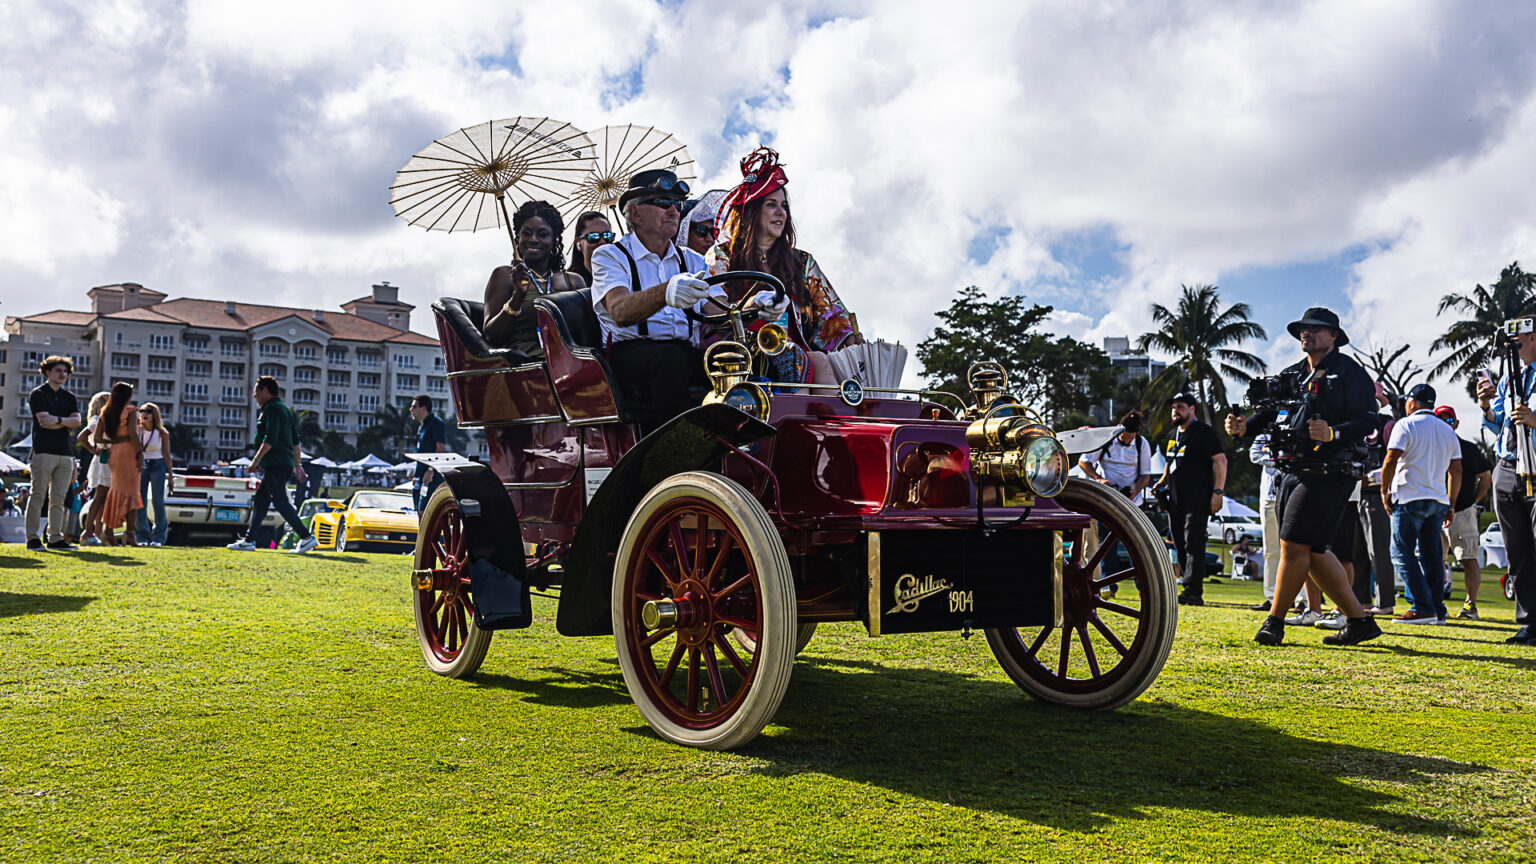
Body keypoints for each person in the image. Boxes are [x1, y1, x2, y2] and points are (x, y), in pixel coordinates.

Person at [1226, 307, 1381, 646]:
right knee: (1310, 551)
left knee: (1293, 544)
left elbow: (1370, 419)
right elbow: (1267, 414)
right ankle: (1359, 620)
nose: (1305, 334)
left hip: (1331, 471)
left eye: (1314, 329)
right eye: (1302, 330)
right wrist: (1242, 428)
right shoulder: (1293, 373)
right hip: (1291, 469)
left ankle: (1274, 622)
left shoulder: (1350, 372)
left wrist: (1334, 433)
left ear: (1334, 335)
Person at [591, 168, 771, 436]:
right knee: (669, 359)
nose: (674, 211)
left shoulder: (692, 259)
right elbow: (619, 310)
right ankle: (674, 451)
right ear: (635, 214)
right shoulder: (610, 255)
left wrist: (756, 306)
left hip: (678, 353)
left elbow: (720, 312)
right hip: (627, 355)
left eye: (676, 205)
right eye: (663, 203)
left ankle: (745, 443)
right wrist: (665, 292)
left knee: (739, 361)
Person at [707, 147, 859, 385]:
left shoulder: (802, 262)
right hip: (741, 357)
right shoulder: (722, 256)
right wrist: (750, 309)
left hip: (801, 355)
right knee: (801, 358)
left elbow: (832, 316)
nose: (781, 213)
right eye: (771, 205)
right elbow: (714, 311)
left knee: (819, 359)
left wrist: (852, 341)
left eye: (784, 206)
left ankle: (828, 423)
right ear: (752, 211)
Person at [1381, 384, 1462, 624]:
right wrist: (1452, 502)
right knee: (1432, 556)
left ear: (1413, 402)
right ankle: (1437, 609)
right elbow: (1456, 470)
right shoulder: (1448, 430)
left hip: (1409, 497)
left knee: (1401, 553)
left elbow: (1391, 459)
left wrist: (1385, 490)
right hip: (1437, 499)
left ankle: (1422, 607)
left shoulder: (1404, 425)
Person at [1477, 326, 1536, 644]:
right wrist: (1486, 406)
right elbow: (1498, 422)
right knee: (1516, 548)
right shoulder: (1510, 378)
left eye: (1519, 336)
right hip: (1507, 465)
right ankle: (1528, 623)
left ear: (1534, 337)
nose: (1511, 344)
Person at [227, 376, 317, 553]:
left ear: (265, 391)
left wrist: (256, 460)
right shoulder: (284, 409)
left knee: (281, 503)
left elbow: (270, 438)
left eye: (256, 391)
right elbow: (295, 441)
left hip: (275, 463)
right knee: (261, 501)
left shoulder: (271, 409)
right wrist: (297, 466)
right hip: (282, 464)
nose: (254, 396)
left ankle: (306, 537)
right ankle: (249, 540)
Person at [482, 200, 583, 356]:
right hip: (529, 370)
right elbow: (491, 337)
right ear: (517, 238)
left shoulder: (574, 281)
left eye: (542, 234)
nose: (533, 239)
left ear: (555, 240)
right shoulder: (504, 276)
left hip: (572, 364)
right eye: (527, 233)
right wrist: (517, 298)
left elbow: (586, 334)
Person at [1153, 392, 1226, 606]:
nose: (1176, 411)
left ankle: (1194, 592)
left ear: (1192, 409)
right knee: (1179, 543)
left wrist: (1218, 492)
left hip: (1198, 499)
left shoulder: (1204, 432)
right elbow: (1170, 462)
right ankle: (1187, 586)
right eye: (1174, 407)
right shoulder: (1171, 435)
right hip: (1175, 501)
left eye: (1181, 406)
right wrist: (1163, 481)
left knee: (1194, 543)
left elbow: (1220, 460)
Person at [1432, 406, 1492, 619]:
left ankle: (1470, 605)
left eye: (1449, 421)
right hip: (1434, 510)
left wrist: (1473, 501)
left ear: (1456, 424)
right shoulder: (1431, 447)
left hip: (1462, 512)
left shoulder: (1468, 448)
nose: (1445, 425)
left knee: (1467, 558)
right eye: (1440, 420)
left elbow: (1485, 476)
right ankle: (1434, 604)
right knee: (1434, 559)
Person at [24, 355, 82, 550]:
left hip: (65, 453)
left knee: (58, 499)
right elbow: (43, 421)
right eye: (58, 370)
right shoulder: (38, 394)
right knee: (38, 496)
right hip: (43, 452)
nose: (62, 374)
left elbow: (77, 422)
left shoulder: (70, 397)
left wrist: (56, 419)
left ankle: (55, 538)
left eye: (65, 371)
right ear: (47, 372)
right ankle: (32, 538)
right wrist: (65, 421)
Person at [1358, 382, 1398, 616]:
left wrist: (1372, 478)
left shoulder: (1387, 425)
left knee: (1378, 549)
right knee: (1357, 550)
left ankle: (1385, 602)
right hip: (1354, 493)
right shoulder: (1354, 424)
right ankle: (1359, 600)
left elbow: (1395, 459)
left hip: (1377, 494)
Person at [94, 383, 144, 546]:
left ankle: (108, 531)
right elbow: (133, 434)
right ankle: (129, 534)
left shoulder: (105, 413)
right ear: (127, 396)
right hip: (129, 453)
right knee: (132, 493)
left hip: (115, 453)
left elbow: (97, 438)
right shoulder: (130, 411)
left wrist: (115, 441)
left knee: (116, 492)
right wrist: (140, 453)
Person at [1078, 410, 1153, 503]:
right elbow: (1083, 462)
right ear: (1118, 428)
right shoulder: (1105, 440)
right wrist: (1099, 479)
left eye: (1130, 439)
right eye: (1124, 438)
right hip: (1105, 498)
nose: (1126, 442)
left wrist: (1135, 491)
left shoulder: (1142, 444)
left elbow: (1145, 474)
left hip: (1133, 501)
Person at [1247, 433, 1281, 611]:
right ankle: (1271, 597)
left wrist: (1272, 458)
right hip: (1268, 497)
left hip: (1290, 495)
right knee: (1270, 550)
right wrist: (1277, 458)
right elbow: (1254, 454)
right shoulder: (1264, 435)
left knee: (1295, 550)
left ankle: (1302, 600)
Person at [135, 402, 172, 546]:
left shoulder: (162, 433)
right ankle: (142, 537)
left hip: (158, 464)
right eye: (142, 410)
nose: (145, 413)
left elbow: (167, 455)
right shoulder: (138, 430)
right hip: (142, 465)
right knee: (140, 502)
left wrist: (170, 476)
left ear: (154, 414)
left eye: (148, 411)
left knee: (157, 501)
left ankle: (158, 537)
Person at [410, 394, 449, 511]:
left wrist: (431, 470)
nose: (410, 409)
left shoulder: (436, 423)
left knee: (425, 512)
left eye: (414, 407)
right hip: (420, 478)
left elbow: (441, 448)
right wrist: (416, 474)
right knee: (418, 511)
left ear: (423, 408)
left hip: (432, 477)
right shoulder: (421, 427)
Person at [567, 210, 614, 288]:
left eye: (607, 236)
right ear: (578, 244)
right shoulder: (571, 283)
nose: (602, 241)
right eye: (593, 237)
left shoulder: (623, 274)